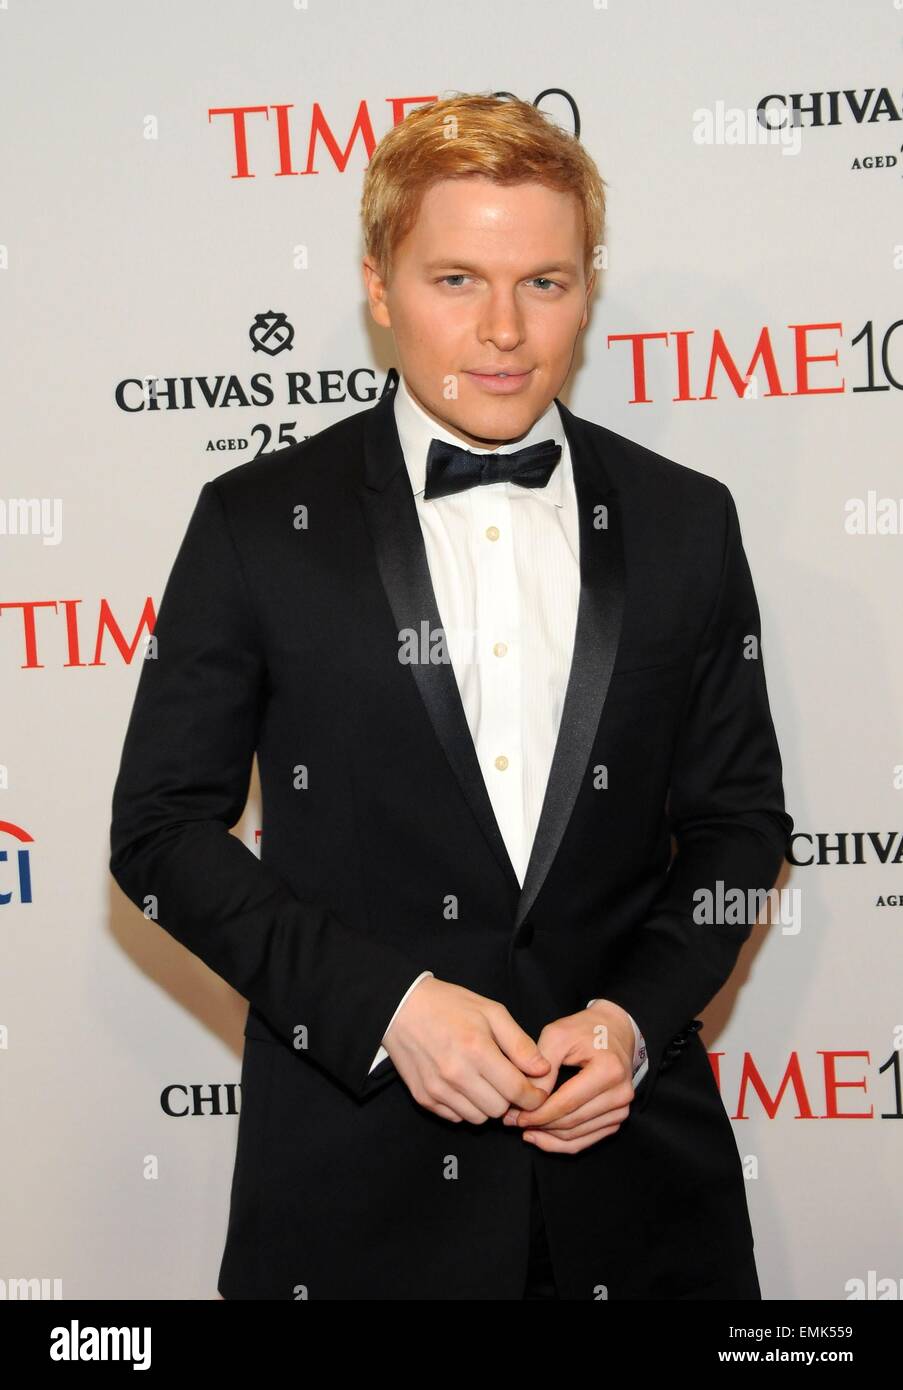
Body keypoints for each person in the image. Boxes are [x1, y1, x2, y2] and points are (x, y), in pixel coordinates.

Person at [109, 92, 792, 1300]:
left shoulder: (688, 519)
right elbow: (160, 830)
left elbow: (740, 826)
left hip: (638, 1197)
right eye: (456, 279)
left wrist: (632, 1021)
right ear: (379, 286)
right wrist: (390, 1008)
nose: (504, 331)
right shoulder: (259, 525)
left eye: (544, 282)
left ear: (588, 287)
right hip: (350, 1200)